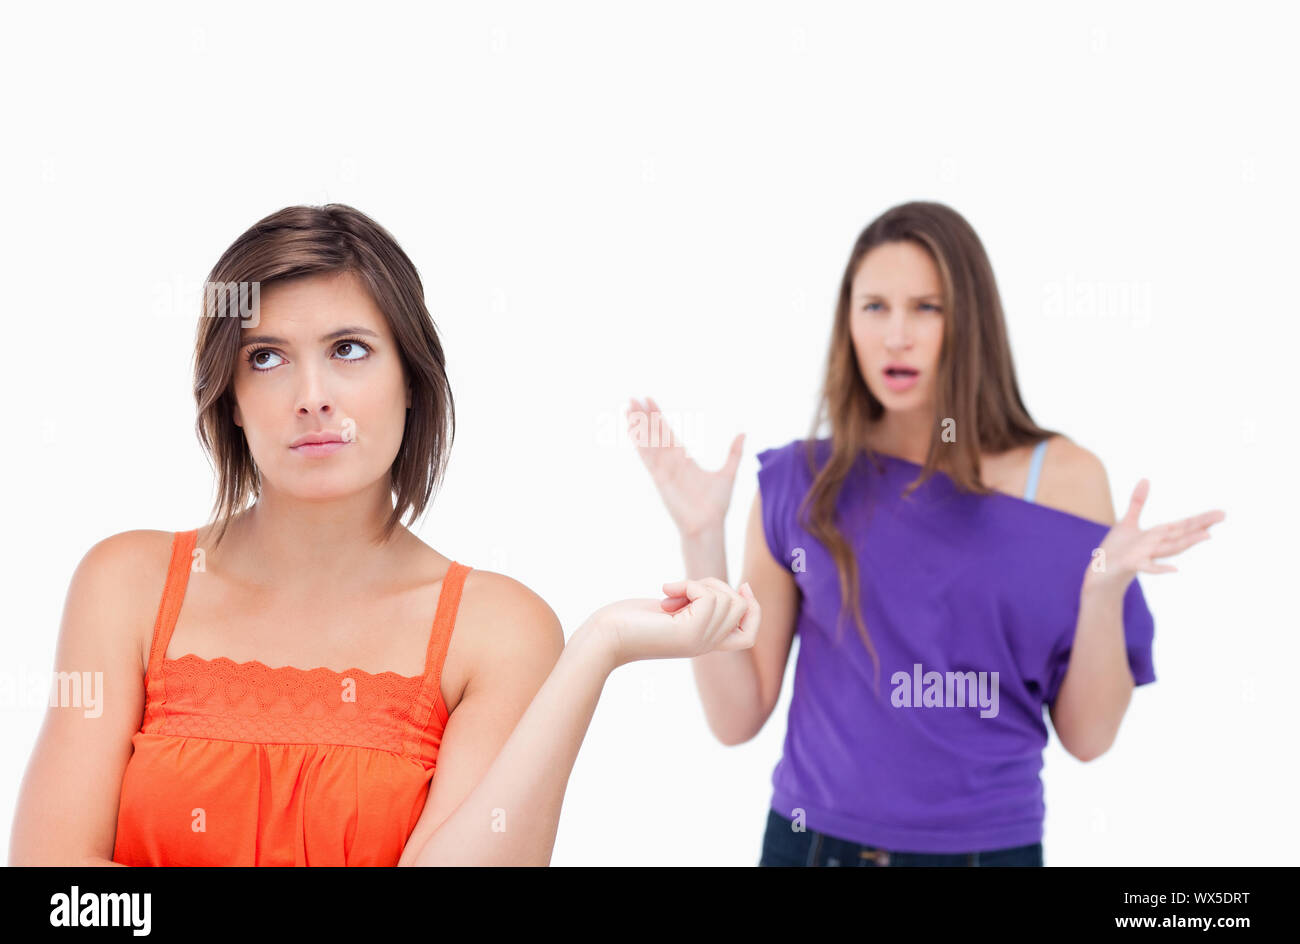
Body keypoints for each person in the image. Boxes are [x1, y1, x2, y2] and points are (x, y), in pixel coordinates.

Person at [9, 203, 760, 866]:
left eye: (349, 350)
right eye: (266, 358)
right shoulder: (127, 583)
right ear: (231, 399)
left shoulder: (499, 628)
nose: (311, 398)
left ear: (411, 380)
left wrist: (599, 647)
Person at [628, 200, 1224, 866]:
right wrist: (700, 540)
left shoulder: (1062, 480)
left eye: (926, 308)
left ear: (969, 320)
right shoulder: (799, 482)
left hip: (988, 852)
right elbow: (735, 720)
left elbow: (1089, 738)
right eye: (874, 307)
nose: (896, 336)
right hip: (811, 845)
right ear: (846, 321)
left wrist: (1104, 590)